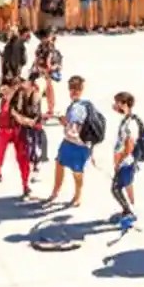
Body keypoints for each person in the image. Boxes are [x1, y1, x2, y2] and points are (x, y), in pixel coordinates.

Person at [47, 75, 92, 207]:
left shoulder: (78, 108)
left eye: (76, 89)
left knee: (76, 172)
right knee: (60, 164)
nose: (73, 91)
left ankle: (76, 196)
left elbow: (73, 129)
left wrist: (64, 122)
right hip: (71, 143)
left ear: (81, 89)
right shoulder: (81, 105)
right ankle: (57, 192)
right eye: (72, 89)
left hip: (77, 144)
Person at [110, 91, 140, 229]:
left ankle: (129, 211)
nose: (115, 105)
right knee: (127, 186)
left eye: (118, 103)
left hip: (126, 163)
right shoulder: (127, 119)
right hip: (126, 162)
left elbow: (130, 145)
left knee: (115, 189)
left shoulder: (130, 123)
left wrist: (119, 160)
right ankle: (130, 208)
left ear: (124, 104)